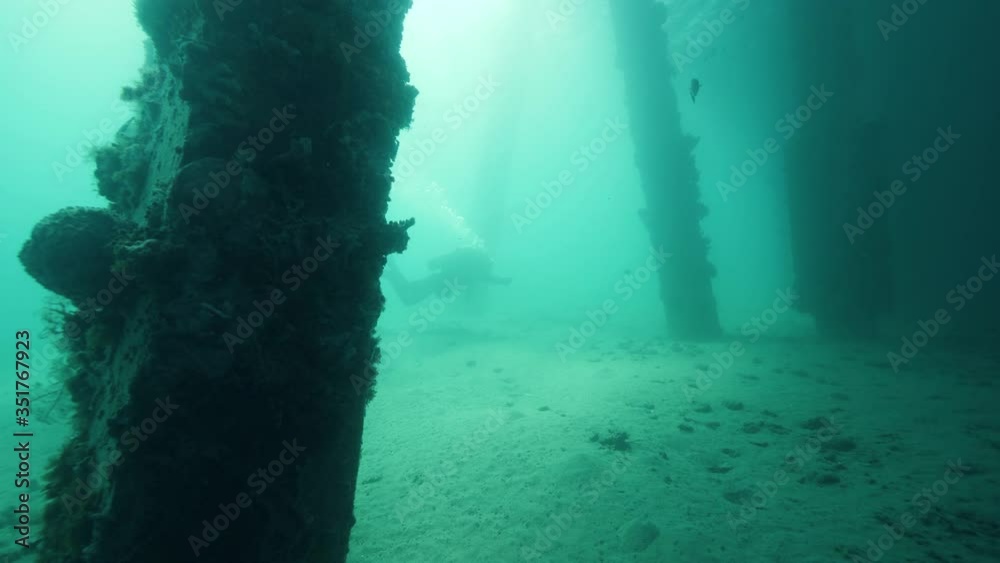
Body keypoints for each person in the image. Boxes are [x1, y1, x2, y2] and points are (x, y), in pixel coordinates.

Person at [385, 246, 511, 306]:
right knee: (408, 298)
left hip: (437, 283)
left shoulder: (472, 267)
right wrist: (502, 281)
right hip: (436, 283)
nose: (489, 269)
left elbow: (486, 277)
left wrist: (502, 281)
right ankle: (391, 269)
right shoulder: (475, 268)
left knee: (409, 295)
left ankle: (391, 269)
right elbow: (487, 277)